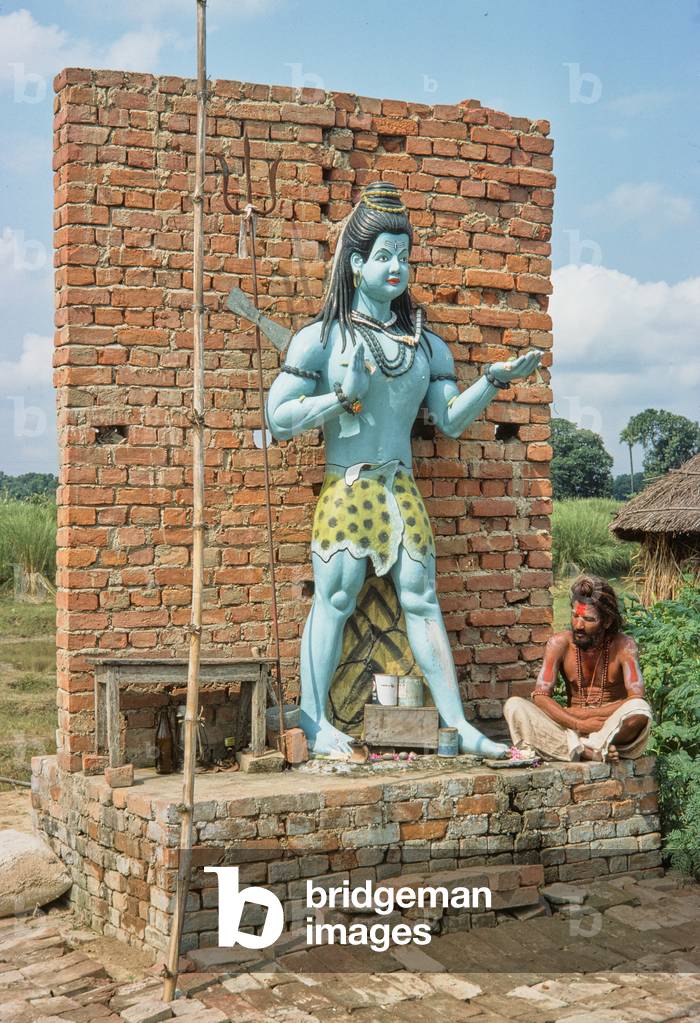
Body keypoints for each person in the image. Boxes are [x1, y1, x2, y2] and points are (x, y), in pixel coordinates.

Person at [266, 181, 542, 758]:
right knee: (334, 600)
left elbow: (449, 422)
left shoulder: (426, 346)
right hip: (350, 483)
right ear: (357, 263)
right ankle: (315, 722)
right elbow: (278, 416)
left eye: (405, 256)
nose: (397, 268)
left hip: (400, 486)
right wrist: (341, 398)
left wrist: (491, 382)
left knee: (422, 599)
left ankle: (459, 726)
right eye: (384, 256)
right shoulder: (323, 339)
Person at [504, 575, 652, 762]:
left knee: (640, 710)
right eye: (575, 616)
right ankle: (589, 751)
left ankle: (579, 748)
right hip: (569, 726)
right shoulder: (559, 643)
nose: (578, 626)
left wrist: (589, 720)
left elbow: (636, 698)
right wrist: (577, 722)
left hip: (607, 727)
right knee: (514, 706)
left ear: (606, 622)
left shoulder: (624, 646)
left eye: (588, 619)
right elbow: (540, 696)